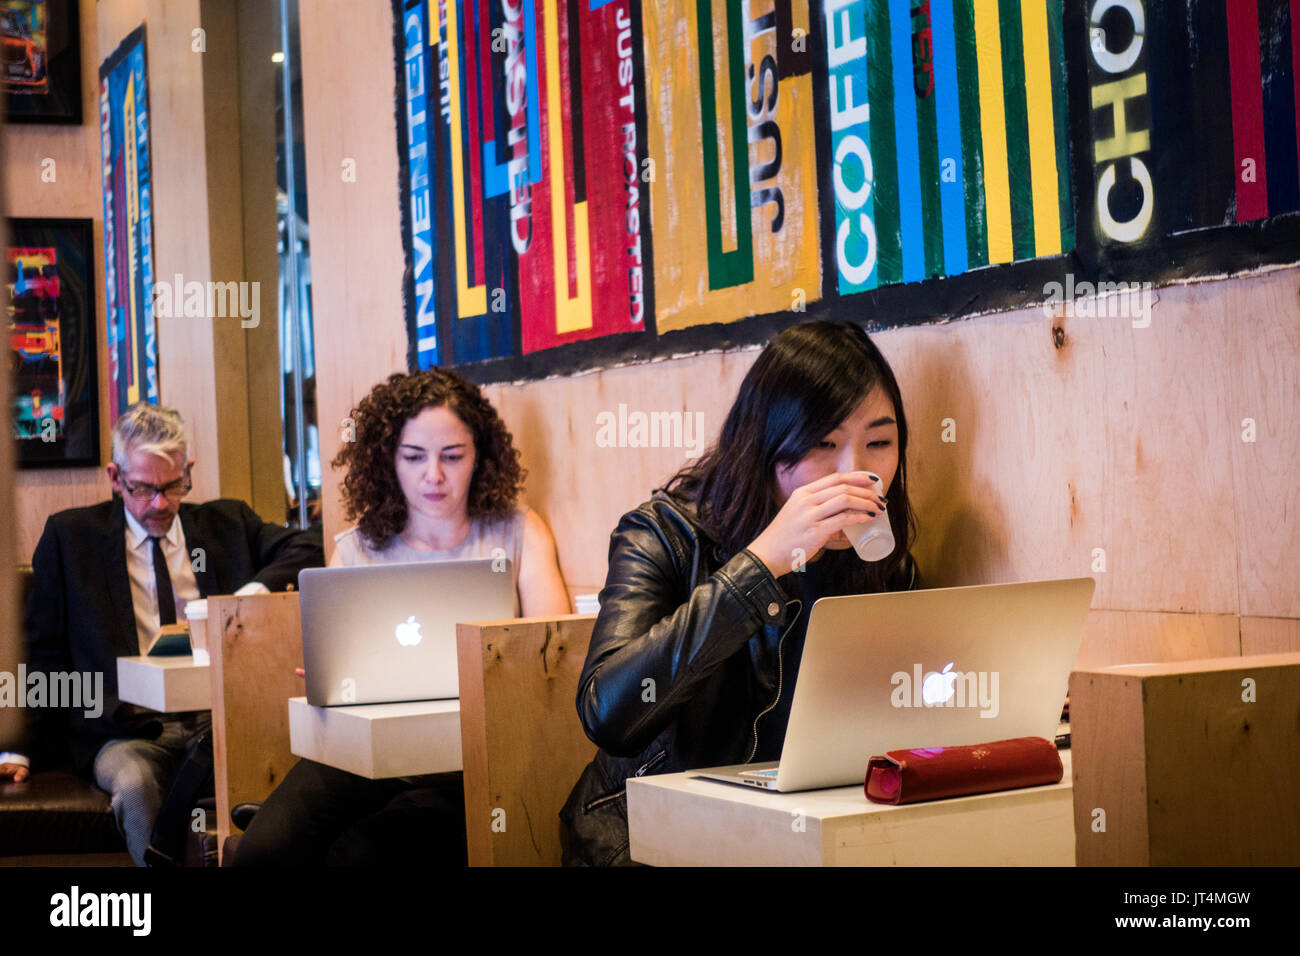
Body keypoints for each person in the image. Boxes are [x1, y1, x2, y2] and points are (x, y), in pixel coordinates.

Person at [560, 320, 923, 865]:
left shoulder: (882, 565)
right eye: (822, 444)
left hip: (792, 833)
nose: (856, 472)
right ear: (765, 446)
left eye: (879, 442)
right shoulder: (663, 533)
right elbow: (607, 713)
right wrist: (762, 564)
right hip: (644, 836)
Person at [233, 368, 570, 866]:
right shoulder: (356, 549)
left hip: (473, 761)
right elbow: (331, 676)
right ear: (387, 460)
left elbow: (554, 655)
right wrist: (329, 676)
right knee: (261, 852)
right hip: (362, 759)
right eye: (414, 457)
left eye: (453, 456)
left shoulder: (517, 532)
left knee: (359, 854)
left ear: (480, 456)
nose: (434, 475)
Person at [0, 403, 325, 865]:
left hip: (218, 721)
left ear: (188, 470)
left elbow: (309, 544)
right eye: (144, 489)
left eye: (173, 486)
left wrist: (246, 595)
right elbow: (40, 652)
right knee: (135, 787)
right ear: (116, 478)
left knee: (284, 773)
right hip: (124, 730)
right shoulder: (72, 538)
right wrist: (18, 747)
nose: (160, 503)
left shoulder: (226, 524)